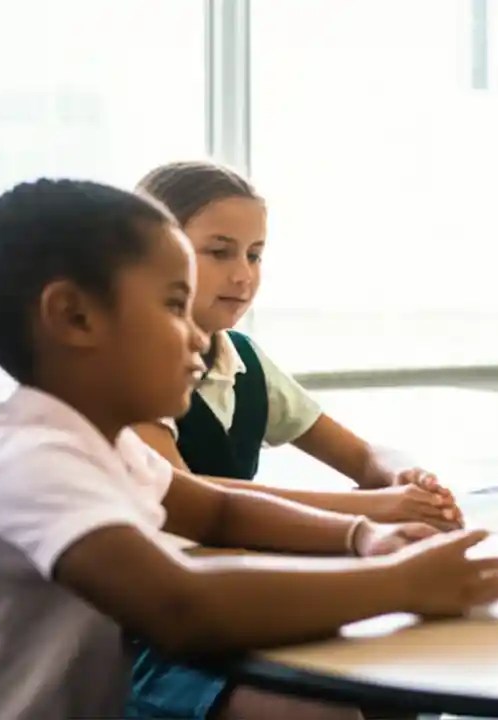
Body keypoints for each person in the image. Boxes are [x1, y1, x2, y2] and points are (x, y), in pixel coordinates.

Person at [0, 179, 498, 720]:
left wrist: (362, 537)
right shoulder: (30, 460)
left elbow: (217, 510)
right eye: (172, 306)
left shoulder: (92, 442)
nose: (196, 336)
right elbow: (182, 607)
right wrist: (401, 583)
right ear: (74, 316)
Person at [133, 160, 462, 532]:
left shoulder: (242, 359)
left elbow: (363, 457)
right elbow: (188, 497)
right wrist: (371, 507)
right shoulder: (129, 368)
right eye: (220, 252)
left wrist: (407, 477)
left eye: (254, 255)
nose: (244, 276)